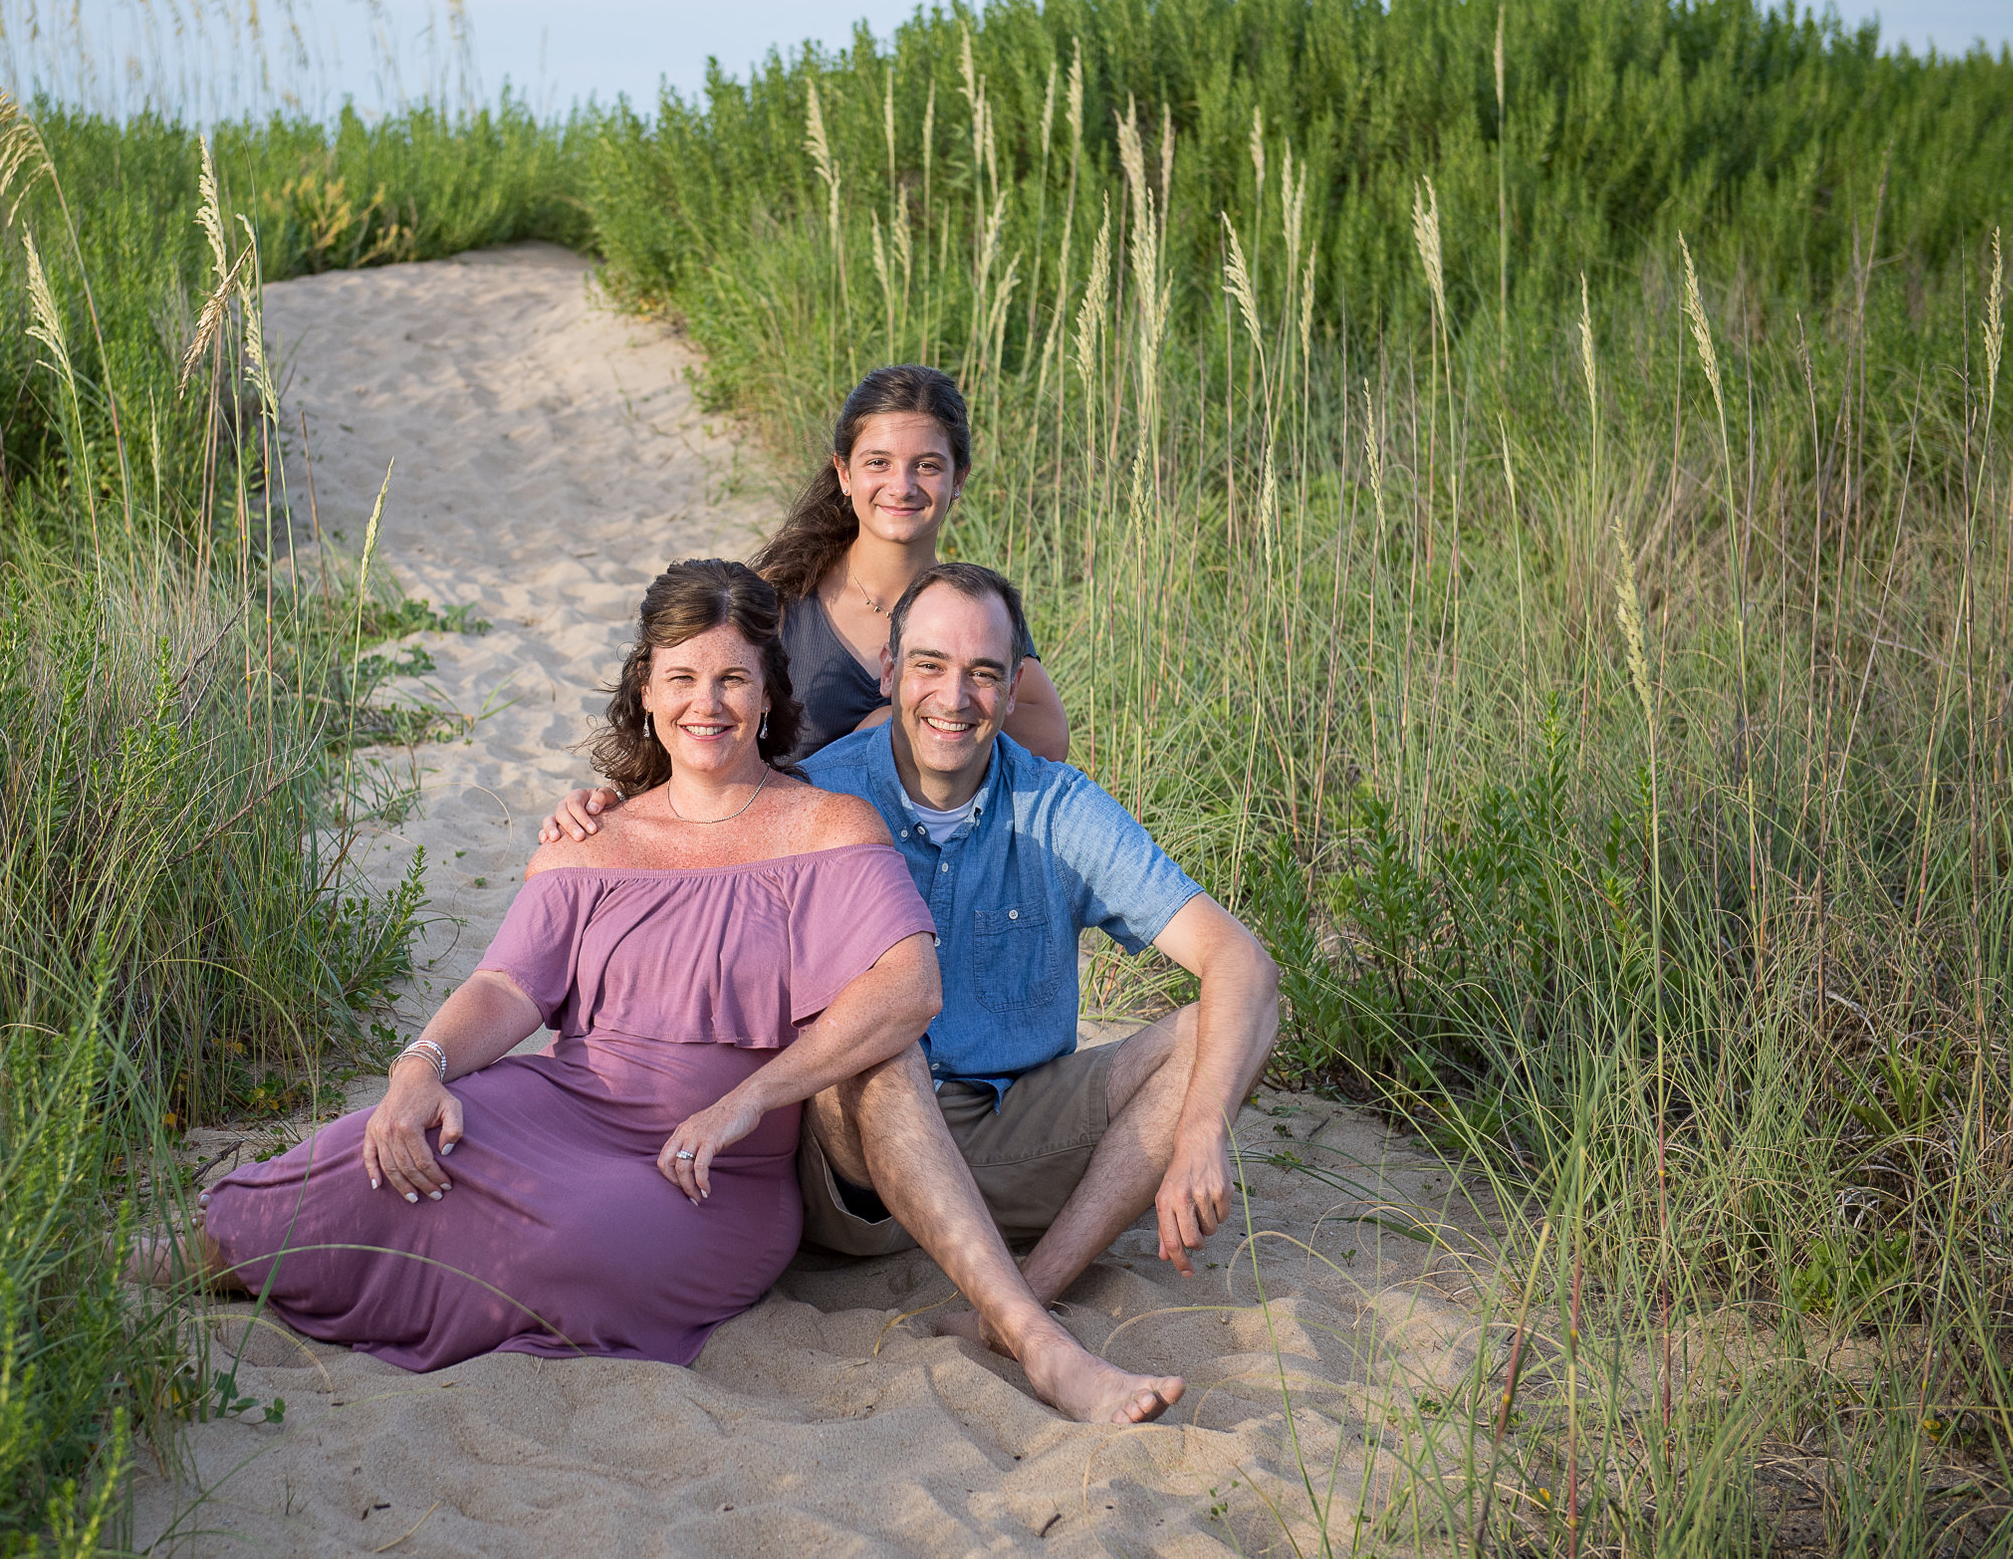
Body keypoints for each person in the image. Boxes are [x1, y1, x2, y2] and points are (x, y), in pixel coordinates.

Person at [150, 561, 948, 1378]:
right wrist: (418, 1067)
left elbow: (908, 986)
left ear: (770, 694)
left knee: (576, 1243)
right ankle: (181, 1257)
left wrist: (748, 1099)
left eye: (731, 679)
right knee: (375, 1147)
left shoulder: (824, 828)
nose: (704, 705)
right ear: (644, 690)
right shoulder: (594, 838)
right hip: (561, 1108)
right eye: (680, 677)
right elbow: (506, 986)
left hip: (711, 1168)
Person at [543, 562, 1282, 1406]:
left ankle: (1016, 1305)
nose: (954, 696)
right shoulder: (820, 794)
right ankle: (1044, 1347)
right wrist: (598, 809)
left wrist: (1200, 1131)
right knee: (880, 1030)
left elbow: (1243, 962)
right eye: (929, 664)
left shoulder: (1055, 806)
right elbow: (686, 819)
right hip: (847, 1164)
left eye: (983, 673)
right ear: (891, 672)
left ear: (1011, 695)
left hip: (1008, 1138)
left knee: (1224, 1027)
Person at [541, 367, 1067, 846]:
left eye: (927, 466)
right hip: (783, 858)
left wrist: (902, 721)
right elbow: (688, 716)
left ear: (959, 480)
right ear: (844, 473)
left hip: (932, 863)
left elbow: (1049, 738)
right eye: (878, 463)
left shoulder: (967, 614)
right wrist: (607, 804)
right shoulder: (781, 602)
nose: (901, 486)